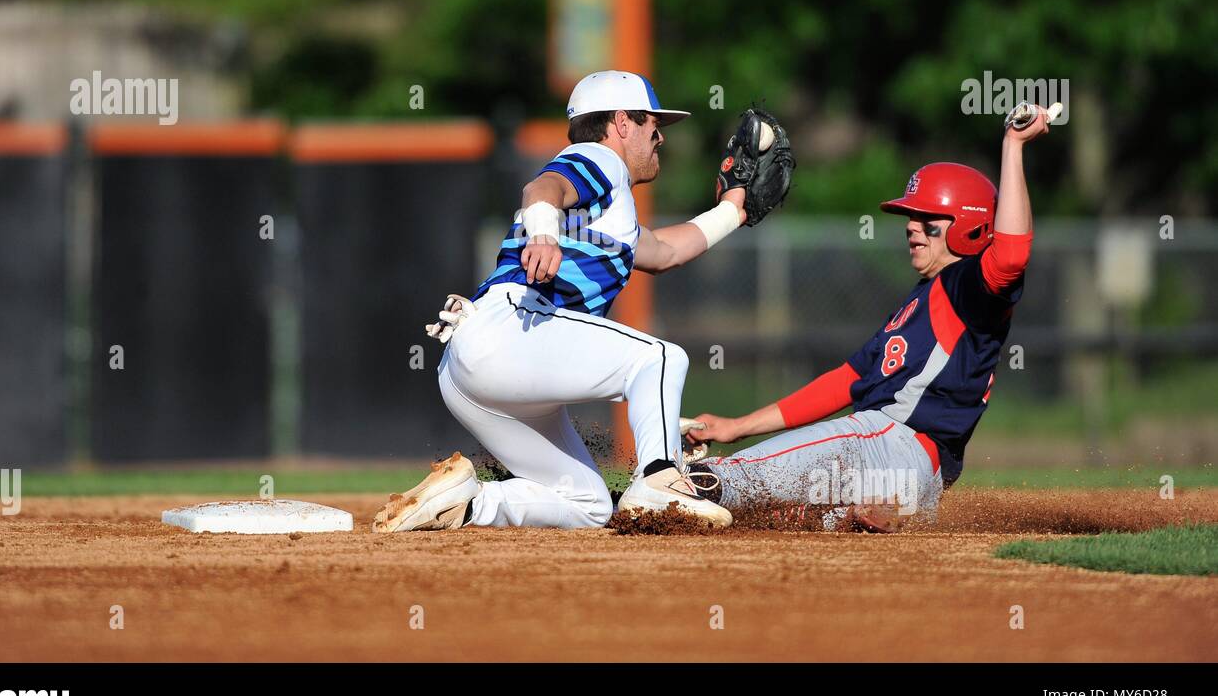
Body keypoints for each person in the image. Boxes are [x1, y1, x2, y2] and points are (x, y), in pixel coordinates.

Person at [372, 70, 790, 532]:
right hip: (511, 331)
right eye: (654, 125)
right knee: (660, 358)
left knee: (588, 505)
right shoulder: (598, 157)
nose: (660, 139)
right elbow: (543, 188)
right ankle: (659, 479)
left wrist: (734, 210)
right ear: (621, 123)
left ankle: (466, 503)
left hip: (469, 373)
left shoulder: (610, 213)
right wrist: (545, 235)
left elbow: (667, 252)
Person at [685, 103, 1053, 532]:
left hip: (890, 443)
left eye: (927, 217)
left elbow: (1010, 255)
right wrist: (737, 426)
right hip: (904, 469)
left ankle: (680, 489)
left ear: (969, 226)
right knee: (774, 520)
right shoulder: (918, 303)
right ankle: (880, 508)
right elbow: (845, 381)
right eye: (910, 217)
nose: (912, 226)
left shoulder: (967, 288)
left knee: (725, 482)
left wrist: (1013, 145)